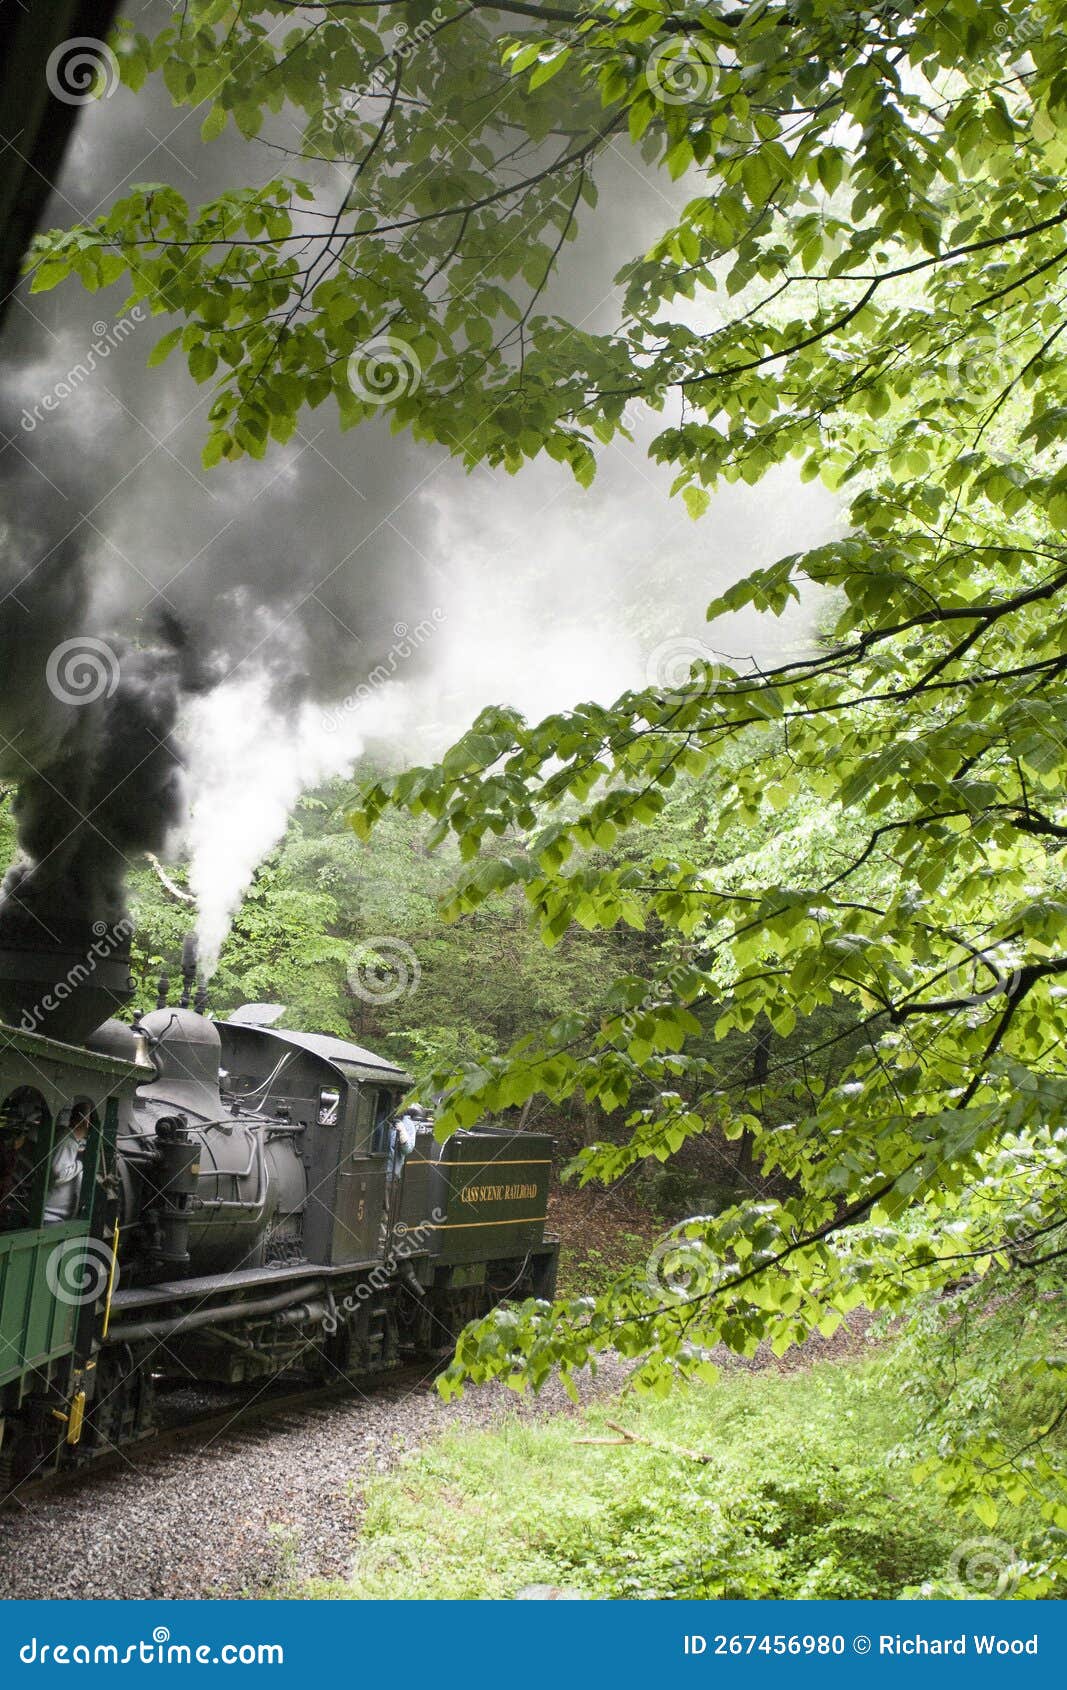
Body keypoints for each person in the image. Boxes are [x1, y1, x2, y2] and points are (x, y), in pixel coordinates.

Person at [43, 1101, 92, 1225]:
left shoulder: (69, 1140)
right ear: (86, 1122)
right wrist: (82, 1163)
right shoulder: (67, 1140)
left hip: (53, 1217)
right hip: (50, 1217)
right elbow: (58, 1174)